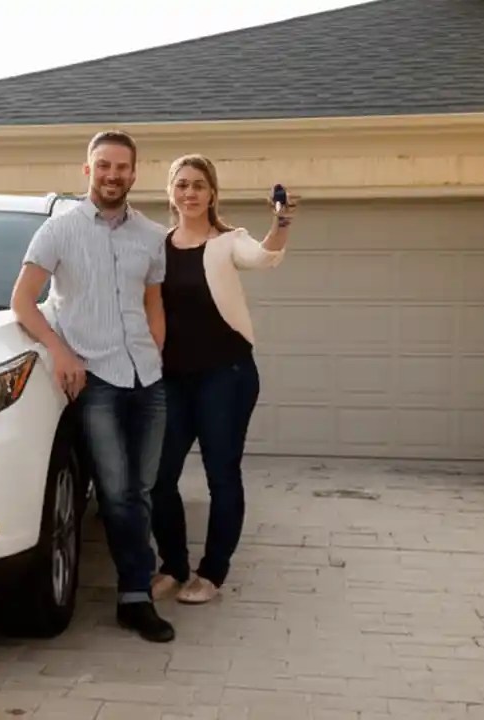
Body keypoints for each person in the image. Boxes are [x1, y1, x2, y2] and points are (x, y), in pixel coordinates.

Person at [11, 130, 174, 643]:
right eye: (103, 166)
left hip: (147, 378)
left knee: (142, 491)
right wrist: (61, 352)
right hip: (96, 377)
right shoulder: (58, 232)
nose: (112, 175)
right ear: (88, 171)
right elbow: (23, 302)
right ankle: (135, 599)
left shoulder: (151, 235)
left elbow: (153, 303)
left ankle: (134, 589)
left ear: (134, 173)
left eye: (122, 167)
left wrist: (157, 352)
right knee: (117, 493)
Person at [150, 154, 296, 605]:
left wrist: (281, 223)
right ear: (170, 193)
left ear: (212, 193)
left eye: (198, 185)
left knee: (221, 475)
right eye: (182, 185)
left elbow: (265, 255)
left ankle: (211, 573)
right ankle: (173, 566)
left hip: (225, 377)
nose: (189, 193)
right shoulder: (157, 245)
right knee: (158, 477)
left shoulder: (229, 241)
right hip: (172, 379)